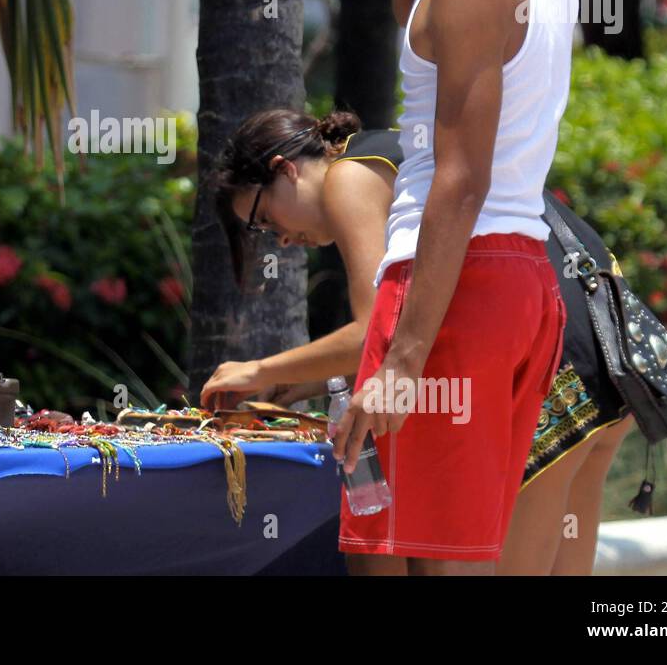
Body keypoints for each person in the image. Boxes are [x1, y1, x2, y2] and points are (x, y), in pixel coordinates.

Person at [229, 0, 582, 575]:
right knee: (447, 556)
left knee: (432, 566)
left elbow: (460, 179)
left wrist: (404, 359)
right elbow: (405, 5)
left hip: (449, 285)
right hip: (518, 279)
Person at [205, 107, 633, 575]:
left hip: (535, 354)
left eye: (265, 218)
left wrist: (257, 370)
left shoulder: (346, 178)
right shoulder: (392, 151)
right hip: (603, 349)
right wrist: (302, 384)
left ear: (284, 169)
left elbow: (377, 332)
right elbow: (406, 327)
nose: (281, 241)